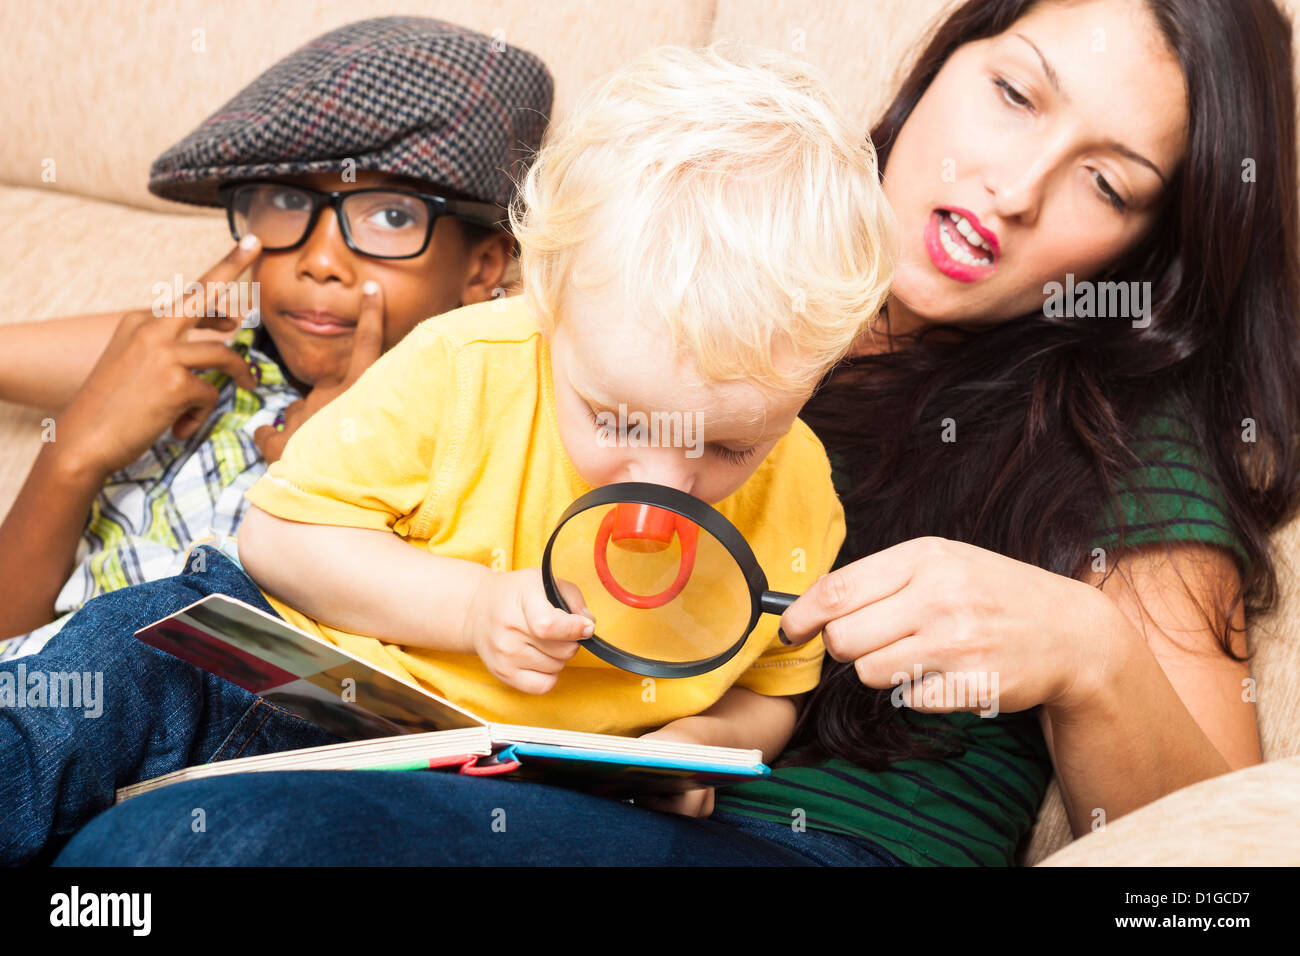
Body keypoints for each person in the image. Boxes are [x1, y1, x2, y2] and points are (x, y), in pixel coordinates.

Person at [48, 0, 1300, 869]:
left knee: (200, 851)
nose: (1014, 186)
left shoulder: (1122, 439)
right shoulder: (657, 250)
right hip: (443, 740)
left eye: (1107, 181)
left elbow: (1209, 857)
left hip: (781, 839)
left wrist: (1090, 653)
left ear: (1149, 242)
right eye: (1016, 92)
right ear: (943, 63)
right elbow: (252, 316)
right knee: (114, 718)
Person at [0, 39, 899, 863]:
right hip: (309, 681)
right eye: (617, 421)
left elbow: (775, 690)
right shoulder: (467, 364)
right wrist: (473, 609)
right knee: (119, 669)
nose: (661, 481)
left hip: (498, 800)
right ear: (545, 304)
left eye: (729, 445)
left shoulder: (804, 488)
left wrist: (695, 749)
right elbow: (280, 541)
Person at [0, 16, 551, 659]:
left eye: (392, 216)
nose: (320, 260)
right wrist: (71, 452)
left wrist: (326, 471)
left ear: (484, 266)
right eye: (289, 202)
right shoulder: (216, 348)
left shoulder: (481, 412)